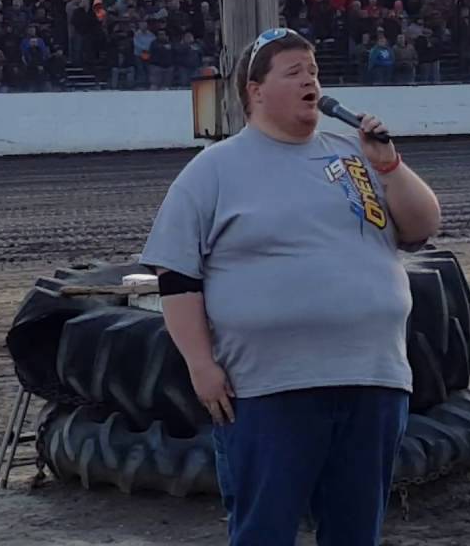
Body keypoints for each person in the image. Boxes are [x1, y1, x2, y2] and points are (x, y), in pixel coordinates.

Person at [139, 27, 442, 546]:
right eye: (294, 72)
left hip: (371, 378)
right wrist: (201, 366)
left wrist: (389, 164)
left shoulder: (356, 158)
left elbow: (421, 226)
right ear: (256, 91)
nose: (311, 82)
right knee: (265, 530)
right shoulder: (213, 170)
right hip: (268, 388)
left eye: (314, 71)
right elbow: (178, 276)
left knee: (355, 531)